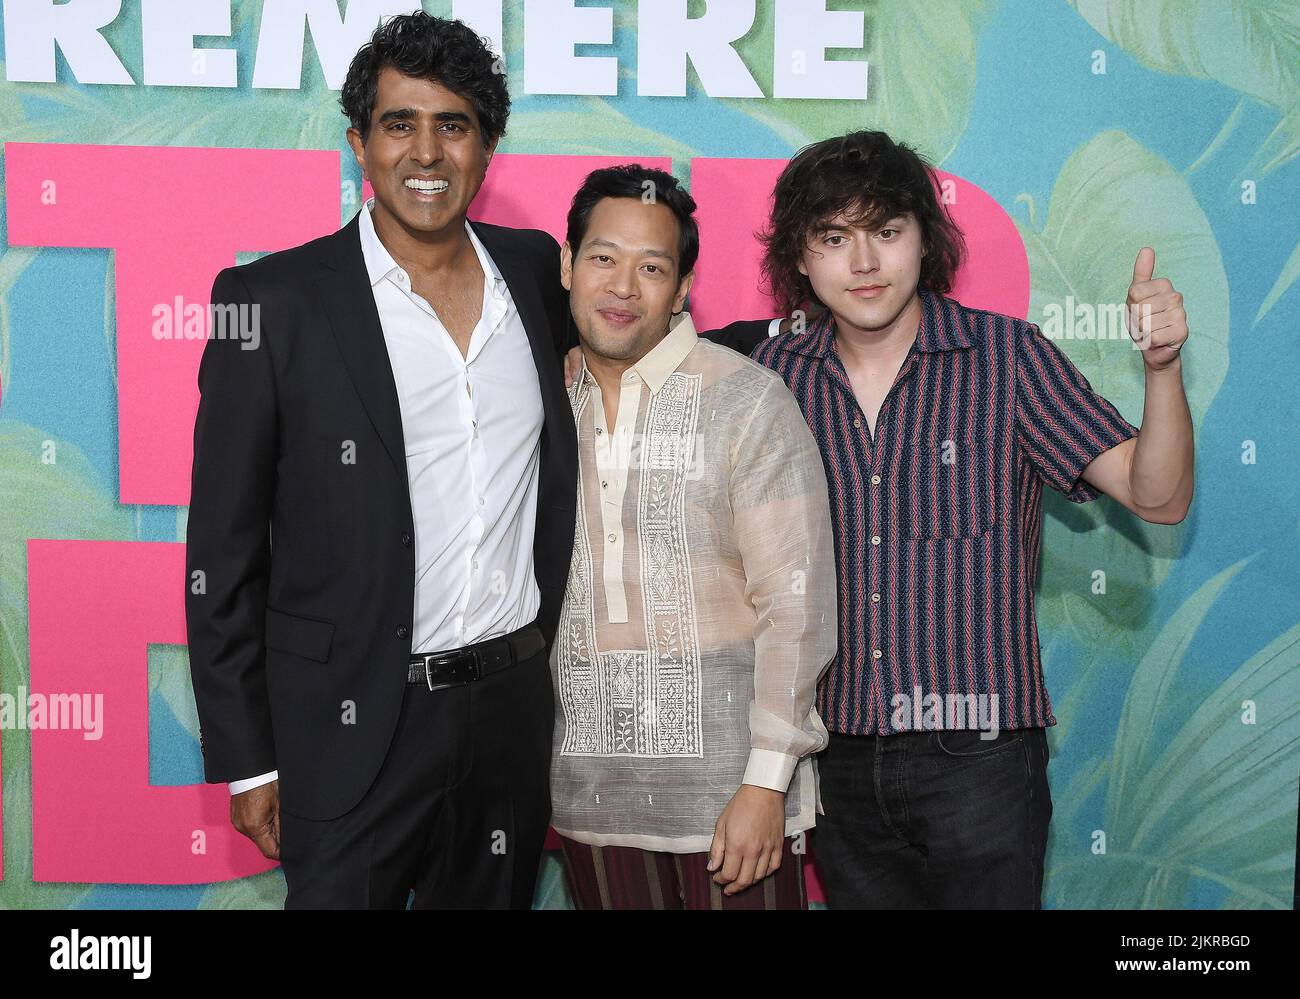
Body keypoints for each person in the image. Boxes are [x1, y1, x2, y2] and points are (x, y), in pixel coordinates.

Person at [565, 130, 1193, 908]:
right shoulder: (770, 377)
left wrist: (1161, 371)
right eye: (833, 238)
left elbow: (1156, 493)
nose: (863, 264)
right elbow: (625, 347)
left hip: (980, 758)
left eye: (886, 233)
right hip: (836, 765)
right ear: (798, 257)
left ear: (925, 240)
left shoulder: (1007, 359)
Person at [185, 12, 576, 909]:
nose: (426, 151)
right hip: (351, 720)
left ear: (488, 146)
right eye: (400, 124)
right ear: (360, 142)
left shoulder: (535, 274)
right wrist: (249, 761)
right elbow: (223, 551)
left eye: (454, 124)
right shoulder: (271, 302)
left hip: (510, 712)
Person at [549, 164, 838, 909]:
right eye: (602, 258)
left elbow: (797, 607)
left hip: (730, 798)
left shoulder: (746, 400)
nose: (622, 286)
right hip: (588, 799)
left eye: (652, 267)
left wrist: (765, 782)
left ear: (681, 289)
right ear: (566, 265)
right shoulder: (542, 404)